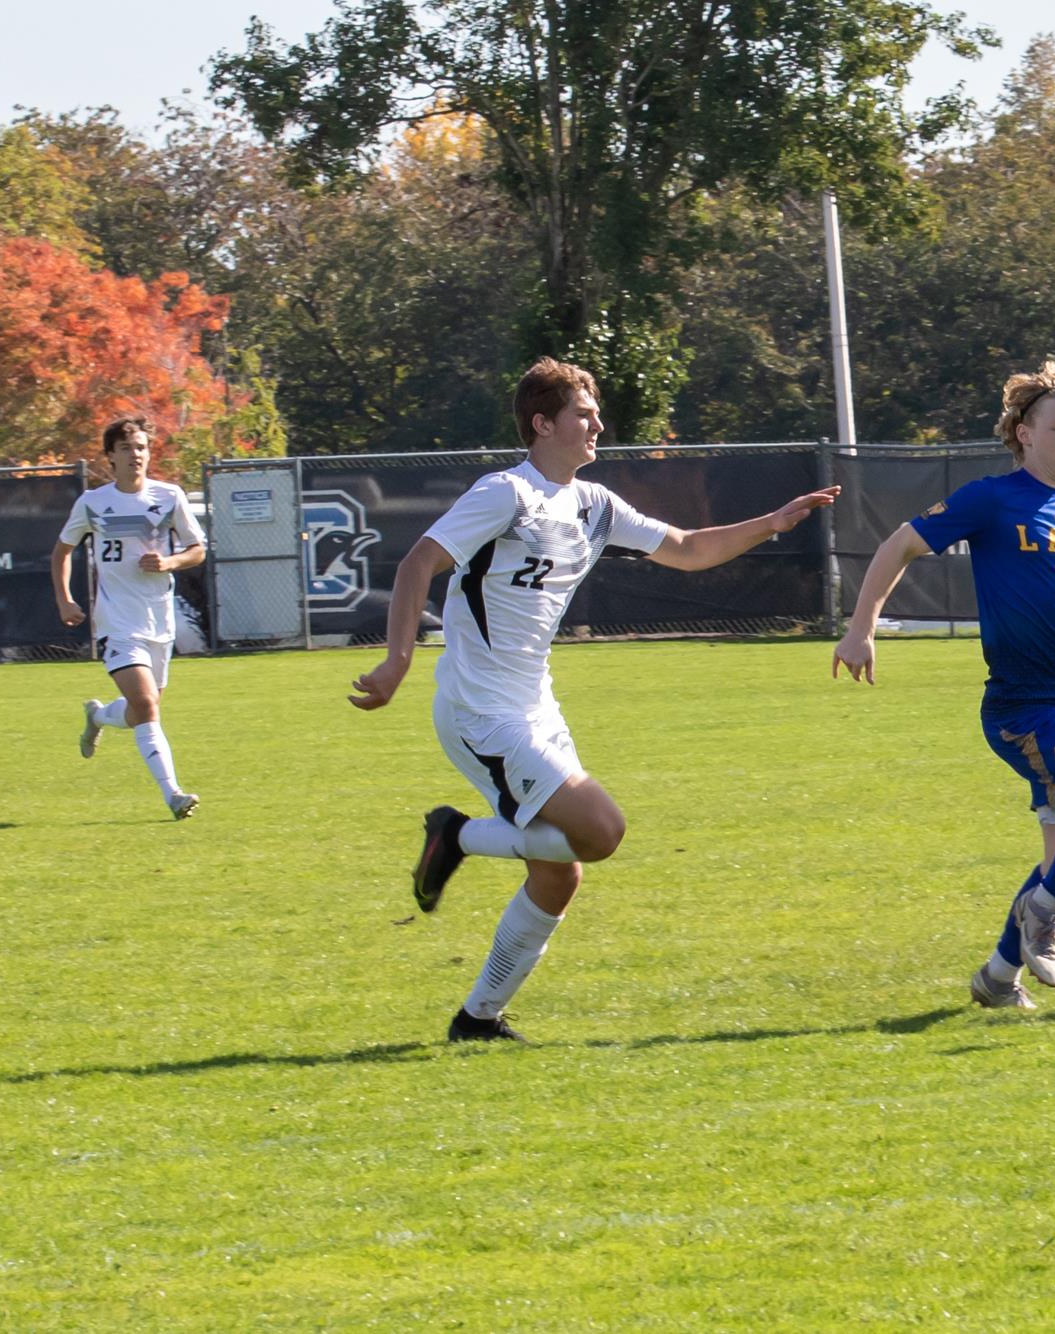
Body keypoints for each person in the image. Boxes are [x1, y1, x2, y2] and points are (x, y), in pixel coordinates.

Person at [348, 357, 838, 1042]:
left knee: (560, 876)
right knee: (602, 829)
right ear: (542, 424)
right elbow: (417, 562)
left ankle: (476, 1021)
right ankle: (455, 834)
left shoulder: (593, 504)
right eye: (583, 413)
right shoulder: (506, 494)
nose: (597, 424)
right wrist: (398, 660)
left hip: (535, 707)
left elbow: (689, 548)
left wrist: (775, 522)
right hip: (479, 712)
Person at [833, 361, 1055, 1009]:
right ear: (1023, 433)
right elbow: (898, 546)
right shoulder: (992, 498)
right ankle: (1042, 915)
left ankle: (996, 976)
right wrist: (861, 629)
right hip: (1022, 710)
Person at [51, 418, 207, 819]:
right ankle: (173, 793)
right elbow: (61, 552)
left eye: (141, 447)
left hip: (159, 621)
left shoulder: (169, 496)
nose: (135, 454)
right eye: (126, 448)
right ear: (111, 457)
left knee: (141, 708)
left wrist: (169, 562)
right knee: (145, 704)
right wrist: (66, 600)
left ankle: (98, 715)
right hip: (116, 622)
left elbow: (197, 550)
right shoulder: (92, 502)